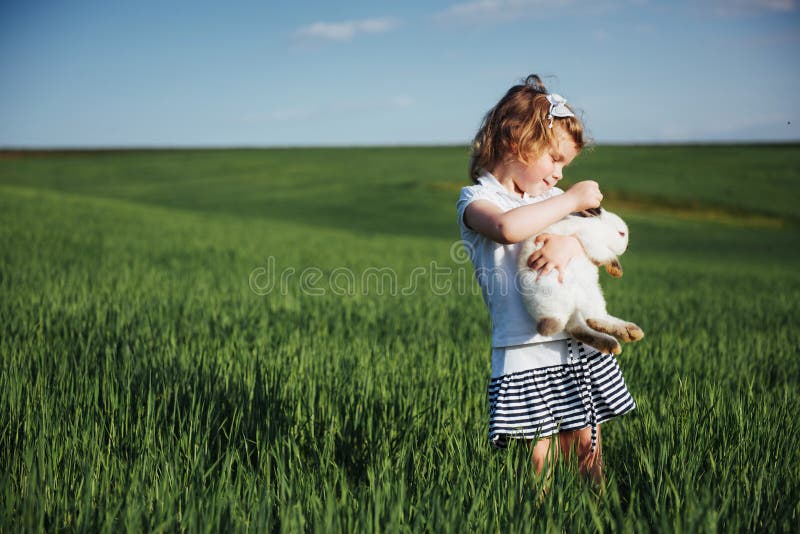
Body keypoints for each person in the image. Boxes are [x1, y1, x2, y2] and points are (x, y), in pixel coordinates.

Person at [456, 74, 636, 488]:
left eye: (565, 168)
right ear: (517, 141)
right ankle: (542, 518)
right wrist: (569, 202)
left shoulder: (547, 201)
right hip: (524, 346)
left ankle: (596, 511)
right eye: (554, 159)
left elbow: (603, 239)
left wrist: (569, 246)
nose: (558, 174)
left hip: (575, 339)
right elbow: (506, 228)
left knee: (587, 446)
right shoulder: (478, 201)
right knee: (541, 456)